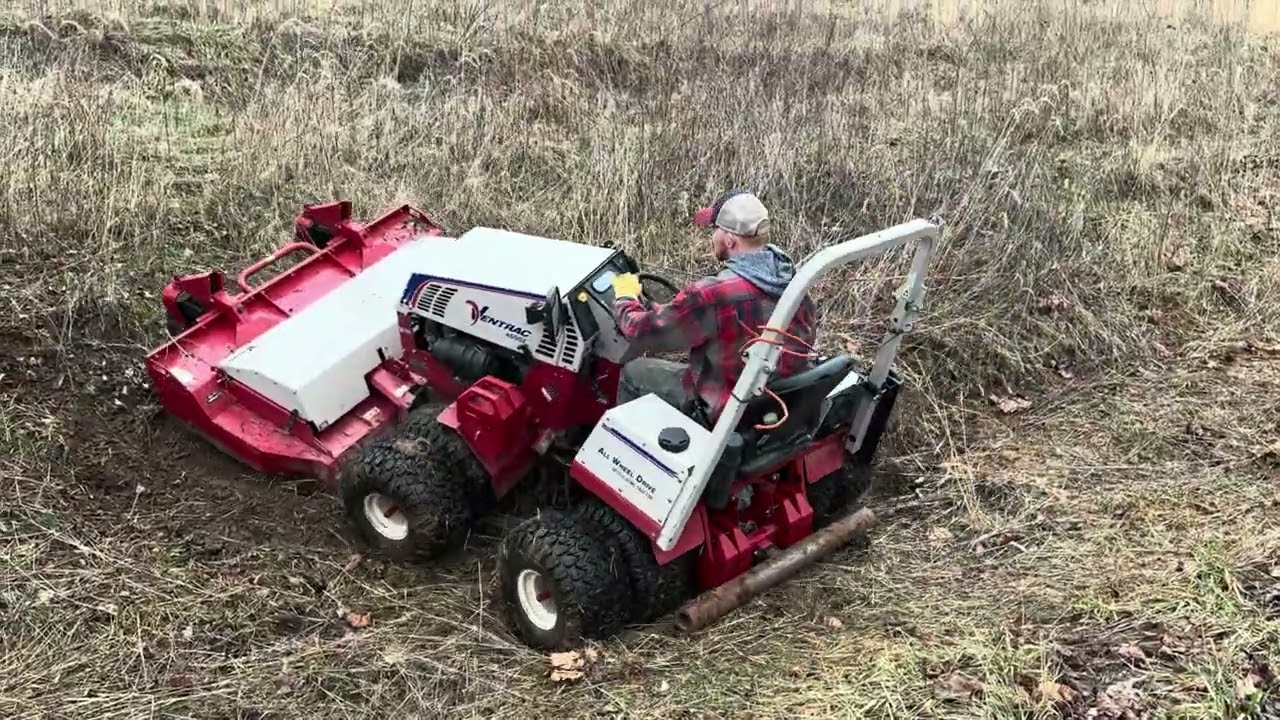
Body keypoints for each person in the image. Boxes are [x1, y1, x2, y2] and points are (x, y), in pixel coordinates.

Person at [610, 189, 819, 422]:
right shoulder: (792, 279)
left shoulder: (713, 293)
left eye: (715, 230)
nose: (712, 236)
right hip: (771, 399)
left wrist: (625, 298)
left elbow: (642, 332)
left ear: (730, 239)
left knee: (634, 371)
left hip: (724, 406)